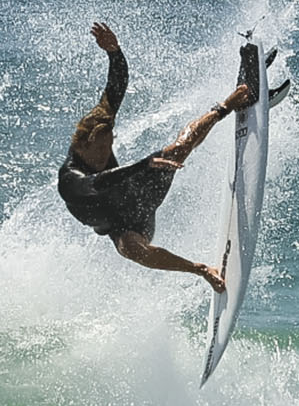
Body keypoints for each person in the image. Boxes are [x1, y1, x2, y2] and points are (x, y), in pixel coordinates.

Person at [57, 23, 283, 291]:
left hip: (140, 192)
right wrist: (144, 164)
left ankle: (230, 103)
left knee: (178, 149)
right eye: (103, 148)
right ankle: (201, 270)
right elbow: (97, 183)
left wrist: (114, 52)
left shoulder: (100, 124)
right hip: (127, 226)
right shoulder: (69, 179)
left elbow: (116, 86)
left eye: (111, 143)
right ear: (86, 144)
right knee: (131, 249)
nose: (108, 150)